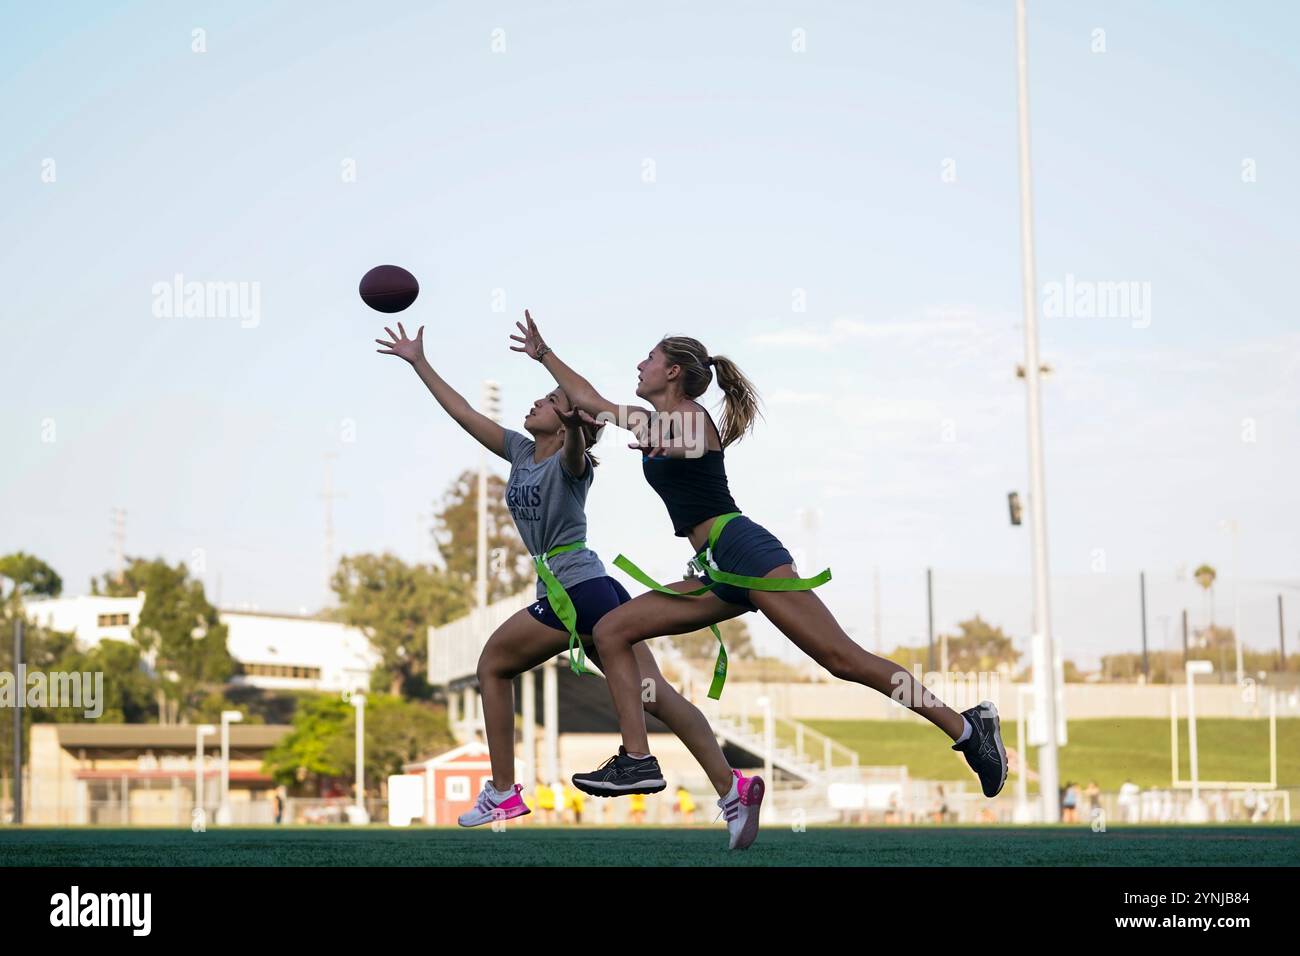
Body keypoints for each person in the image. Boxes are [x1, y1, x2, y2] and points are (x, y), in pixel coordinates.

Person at [509, 312, 1008, 803]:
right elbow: (591, 400)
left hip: (745, 549)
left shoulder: (690, 419)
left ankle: (967, 727)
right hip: (714, 568)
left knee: (842, 659)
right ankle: (637, 760)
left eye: (650, 357)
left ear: (673, 371)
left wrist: (662, 440)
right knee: (614, 629)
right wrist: (544, 354)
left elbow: (687, 441)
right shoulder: (651, 419)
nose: (640, 365)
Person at [376, 322, 762, 849]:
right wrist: (420, 362)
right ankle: (732, 790)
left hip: (577, 591)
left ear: (565, 424)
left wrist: (580, 426)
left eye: (549, 400)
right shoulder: (519, 451)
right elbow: (464, 413)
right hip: (594, 591)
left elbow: (580, 449)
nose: (536, 402)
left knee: (492, 664)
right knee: (655, 695)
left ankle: (506, 790)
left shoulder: (569, 461)